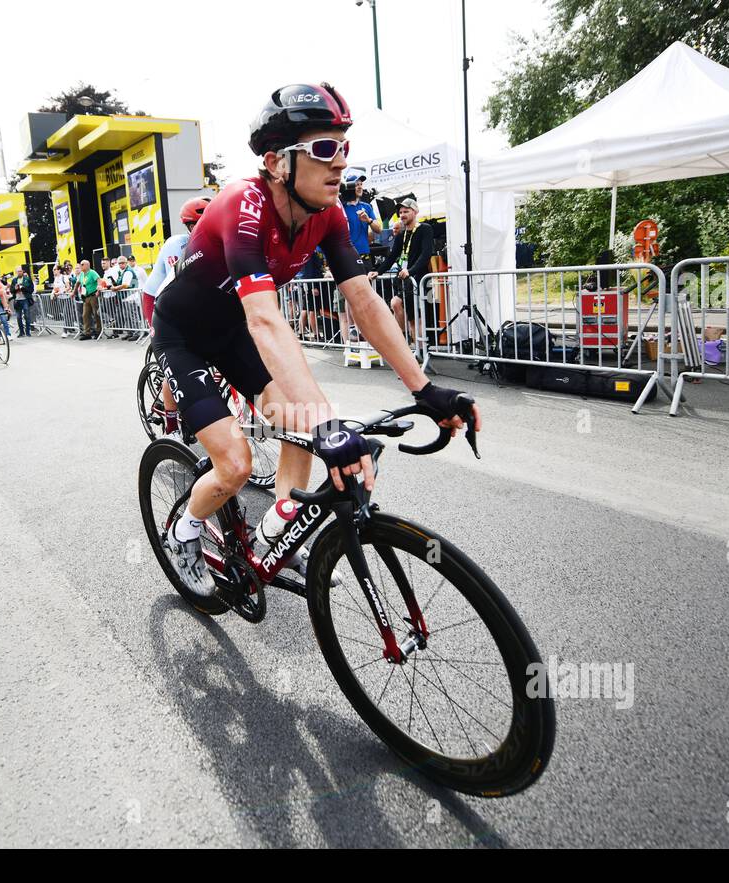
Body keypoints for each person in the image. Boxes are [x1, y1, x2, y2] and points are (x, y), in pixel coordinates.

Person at [150, 82, 479, 595]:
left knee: (299, 423)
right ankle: (184, 530)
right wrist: (328, 423)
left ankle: (278, 534)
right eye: (325, 150)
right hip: (184, 337)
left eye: (344, 148)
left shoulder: (327, 216)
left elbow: (365, 302)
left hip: (233, 332)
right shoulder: (244, 205)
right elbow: (264, 319)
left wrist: (424, 389)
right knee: (235, 464)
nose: (340, 163)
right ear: (279, 162)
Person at [143, 197, 211, 431]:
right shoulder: (177, 244)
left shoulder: (212, 242)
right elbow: (183, 285)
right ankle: (170, 422)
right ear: (190, 226)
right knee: (176, 362)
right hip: (156, 299)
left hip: (185, 301)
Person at [371, 197, 434, 342]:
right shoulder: (401, 234)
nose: (402, 215)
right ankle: (403, 341)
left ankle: (418, 348)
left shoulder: (425, 229)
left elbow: (426, 255)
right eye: (400, 212)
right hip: (405, 278)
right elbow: (392, 257)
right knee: (397, 304)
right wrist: (378, 271)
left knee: (414, 315)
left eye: (406, 211)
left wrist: (410, 271)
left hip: (417, 278)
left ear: (415, 211)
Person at [76, 259, 101, 340]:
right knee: (85, 315)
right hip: (85, 297)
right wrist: (74, 291)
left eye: (82, 264)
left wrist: (98, 290)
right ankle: (87, 333)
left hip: (93, 296)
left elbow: (99, 280)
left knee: (95, 314)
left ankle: (98, 331)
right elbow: (78, 283)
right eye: (80, 264)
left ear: (87, 265)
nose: (81, 266)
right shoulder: (82, 274)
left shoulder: (92, 272)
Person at [12, 265, 35, 337]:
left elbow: (31, 289)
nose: (19, 272)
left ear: (22, 272)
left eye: (20, 271)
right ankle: (21, 332)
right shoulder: (14, 280)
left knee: (27, 316)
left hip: (25, 299)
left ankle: (28, 332)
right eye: (18, 271)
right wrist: (15, 289)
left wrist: (23, 288)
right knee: (18, 317)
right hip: (17, 300)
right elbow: (11, 290)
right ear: (16, 272)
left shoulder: (27, 279)